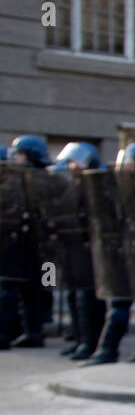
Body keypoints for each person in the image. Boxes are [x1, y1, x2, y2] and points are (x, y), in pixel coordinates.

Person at [82, 142, 135, 366]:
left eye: (129, 163)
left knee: (129, 303)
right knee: (134, 303)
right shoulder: (129, 188)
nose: (124, 167)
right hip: (132, 253)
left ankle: (112, 350)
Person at [49, 142, 107, 361]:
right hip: (71, 248)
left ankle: (90, 342)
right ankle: (79, 339)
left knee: (86, 297)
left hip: (87, 249)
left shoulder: (95, 186)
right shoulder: (73, 186)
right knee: (74, 295)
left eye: (75, 162)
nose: (72, 166)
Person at [0, 136, 51, 349]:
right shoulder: (45, 179)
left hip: (19, 243)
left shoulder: (21, 180)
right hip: (36, 245)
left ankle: (4, 334)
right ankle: (33, 332)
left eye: (18, 153)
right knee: (31, 290)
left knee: (8, 288)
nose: (14, 157)